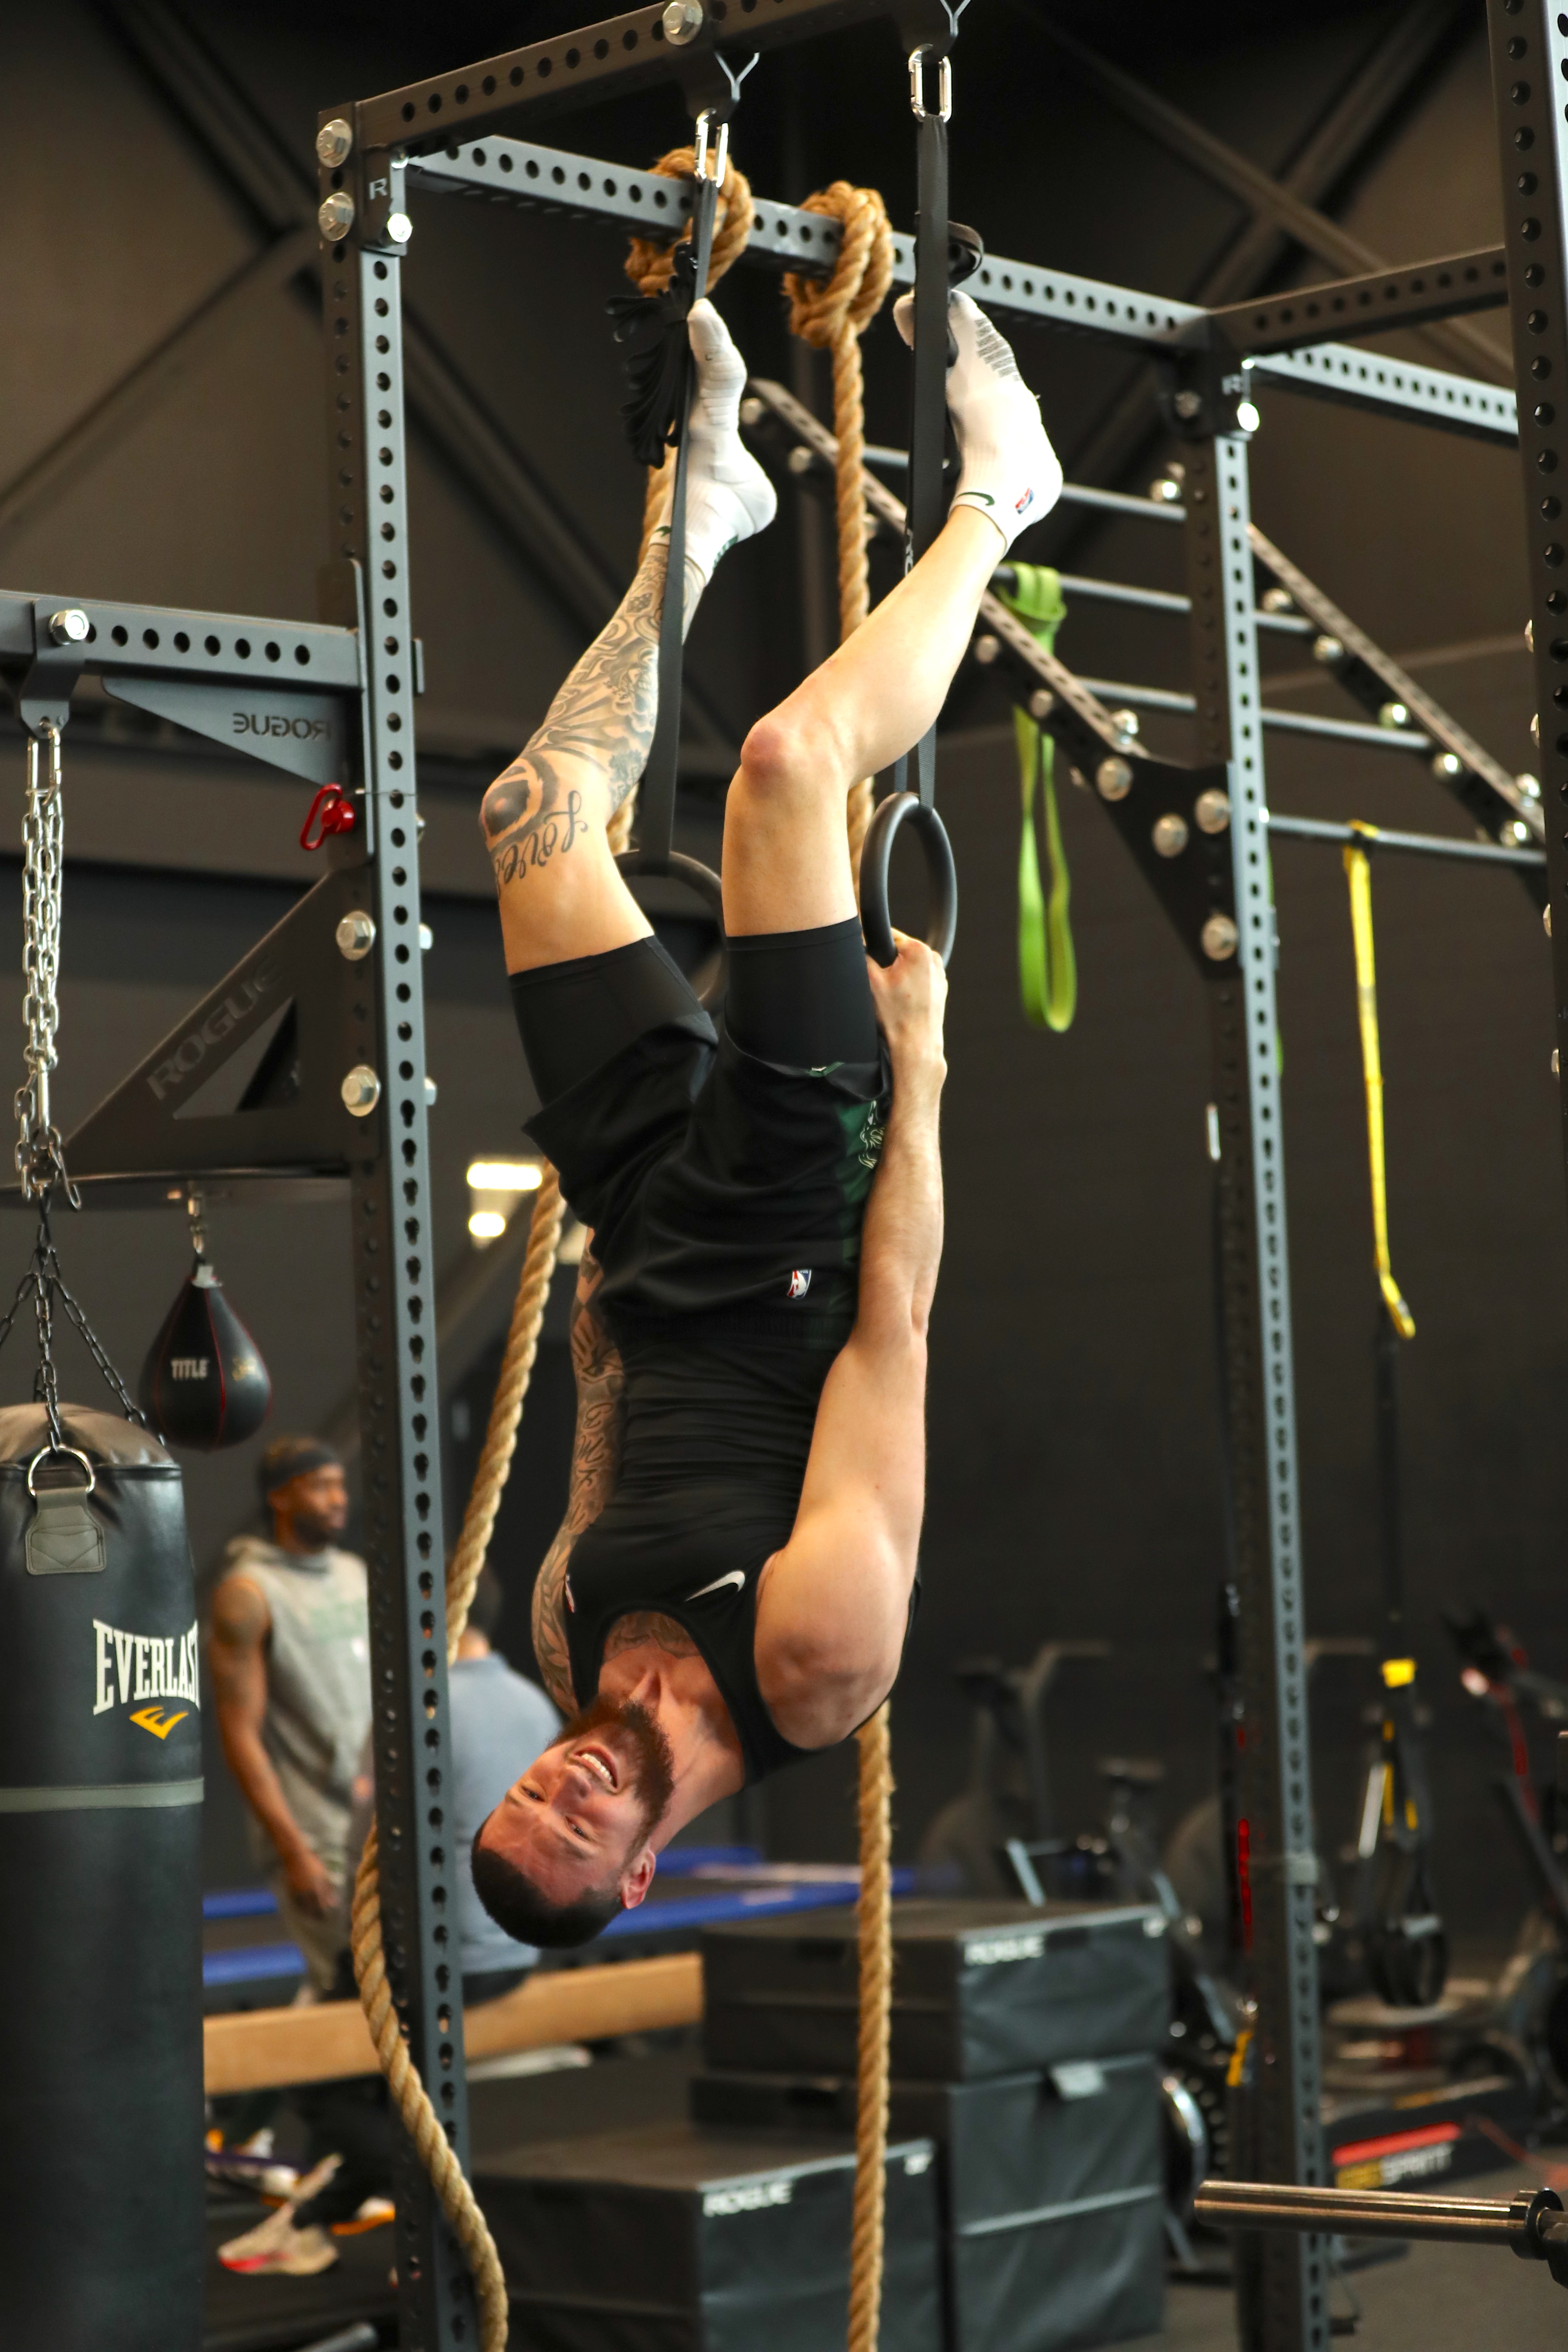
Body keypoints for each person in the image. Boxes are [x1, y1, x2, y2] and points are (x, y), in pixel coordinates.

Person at [470, 289, 1060, 1948]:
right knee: (794, 767)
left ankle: (708, 516)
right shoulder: (811, 1670)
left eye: (522, 1801)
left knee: (530, 812)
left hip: (644, 1207)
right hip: (798, 1217)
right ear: (636, 1878)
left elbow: (598, 1411)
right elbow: (895, 1336)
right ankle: (1002, 498)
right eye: (572, 1839)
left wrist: (608, 1240)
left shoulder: (564, 1645)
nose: (559, 1796)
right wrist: (922, 1072)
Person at [218, 1567, 560, 2277]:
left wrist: (352, 1950)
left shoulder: (417, 1706)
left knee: (319, 2084)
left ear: (426, 1625)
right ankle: (306, 2222)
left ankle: (447, 2207)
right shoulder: (535, 1704)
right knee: (390, 2095)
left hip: (442, 1963)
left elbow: (367, 1847)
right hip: (514, 1953)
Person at [208, 1435, 372, 1994]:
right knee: (348, 1990)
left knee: (394, 1988)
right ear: (280, 1498)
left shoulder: (355, 1573)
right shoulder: (249, 1593)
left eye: (340, 1485)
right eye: (321, 1486)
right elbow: (239, 1734)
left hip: (376, 1822)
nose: (338, 1498)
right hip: (314, 1834)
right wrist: (293, 1851)